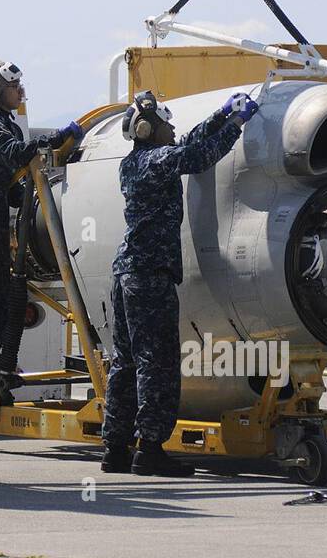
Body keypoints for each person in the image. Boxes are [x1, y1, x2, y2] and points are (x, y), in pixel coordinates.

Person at [101, 90, 259, 477]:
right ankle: (151, 449)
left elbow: (188, 143)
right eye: (166, 124)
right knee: (158, 362)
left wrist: (221, 115)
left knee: (125, 363)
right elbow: (200, 156)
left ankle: (116, 448)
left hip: (127, 275)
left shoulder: (136, 162)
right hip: (149, 276)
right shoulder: (156, 161)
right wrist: (237, 125)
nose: (173, 129)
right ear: (145, 128)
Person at [0, 61, 81, 393]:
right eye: (13, 86)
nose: (20, 91)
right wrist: (59, 137)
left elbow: (8, 182)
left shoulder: (3, 122)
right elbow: (15, 156)